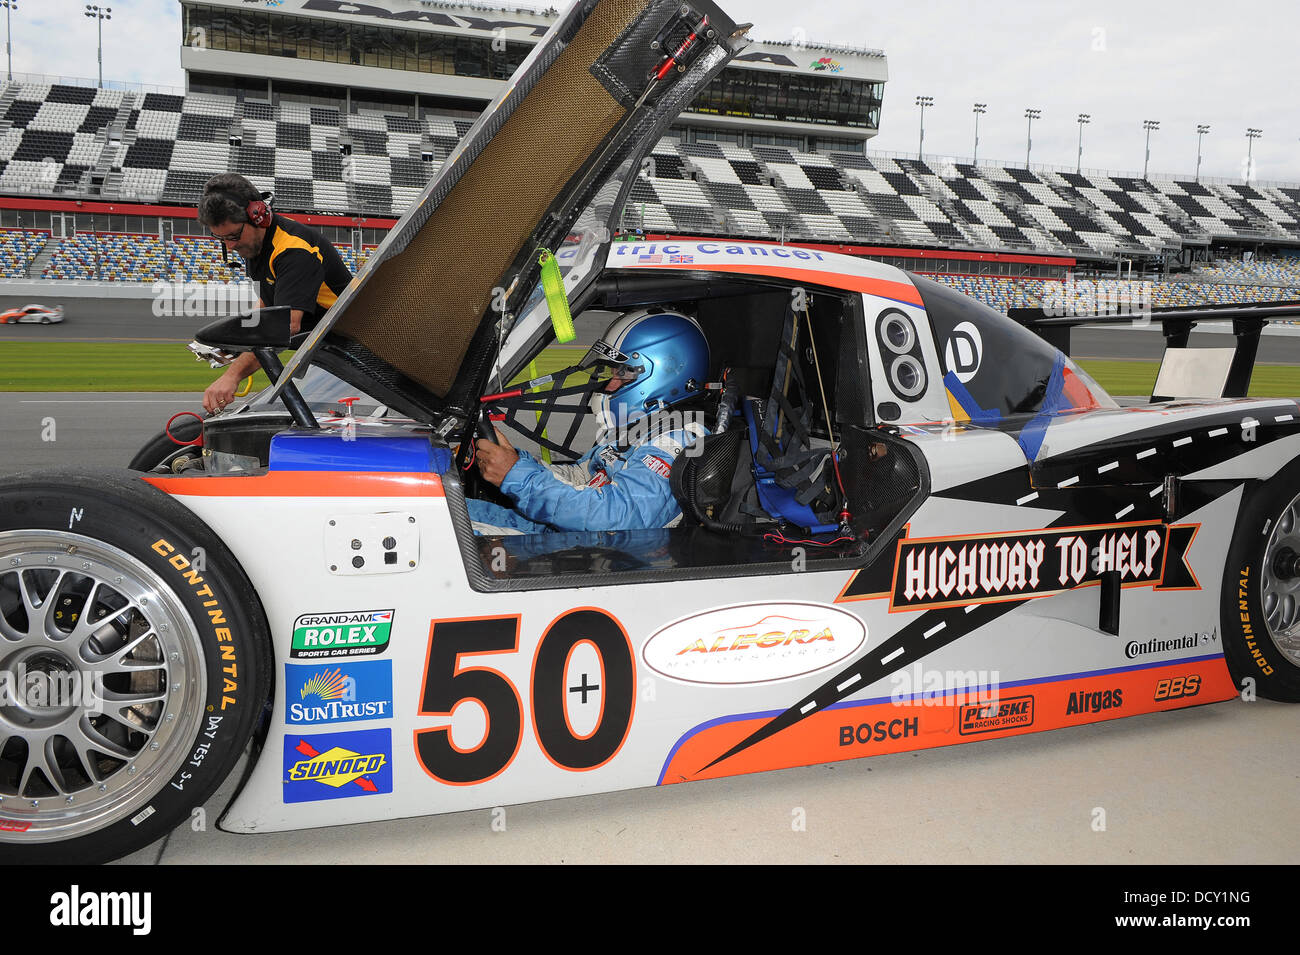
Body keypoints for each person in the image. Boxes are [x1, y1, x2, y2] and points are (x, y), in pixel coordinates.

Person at [468, 309, 711, 534]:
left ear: (664, 375)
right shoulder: (639, 428)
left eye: (622, 375)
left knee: (446, 535)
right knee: (451, 511)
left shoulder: (678, 442)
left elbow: (615, 516)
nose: (610, 385)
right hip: (571, 533)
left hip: (605, 555)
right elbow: (580, 478)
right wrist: (516, 462)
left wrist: (517, 476)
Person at [196, 173, 353, 414]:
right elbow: (269, 306)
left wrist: (232, 376)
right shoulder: (256, 246)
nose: (230, 246)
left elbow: (283, 328)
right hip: (327, 351)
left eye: (234, 236)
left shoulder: (293, 250)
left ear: (260, 216)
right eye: (220, 238)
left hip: (355, 351)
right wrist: (235, 341)